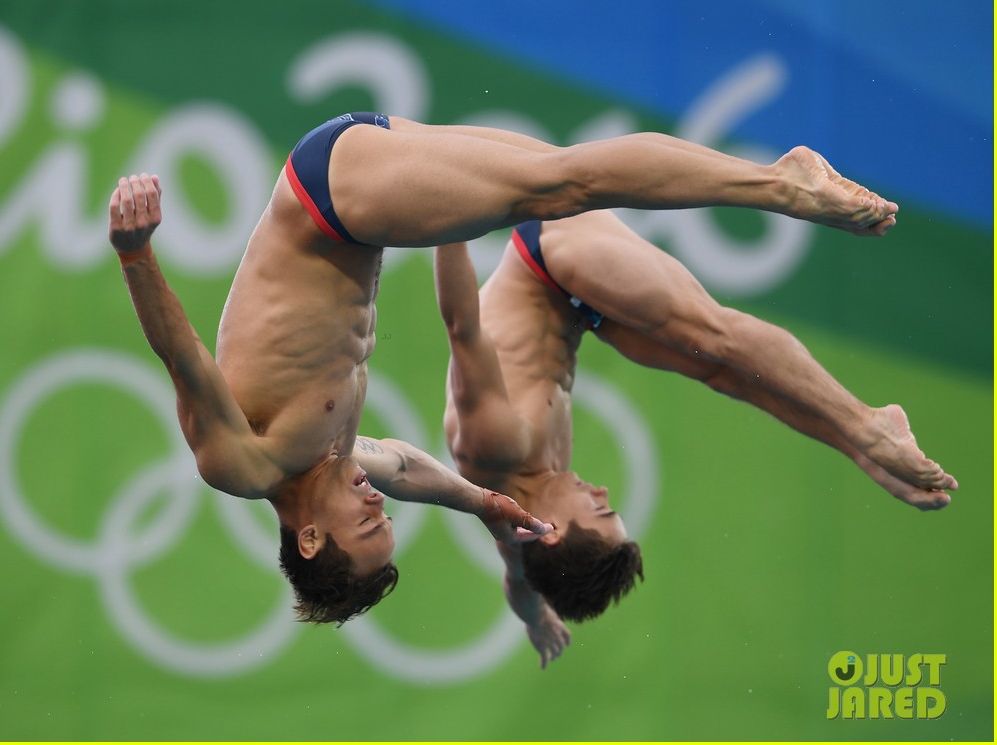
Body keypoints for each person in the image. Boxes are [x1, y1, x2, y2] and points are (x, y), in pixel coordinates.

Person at [110, 112, 904, 625]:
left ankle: (779, 183)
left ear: (311, 536)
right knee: (567, 181)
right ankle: (863, 425)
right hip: (358, 198)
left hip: (331, 199)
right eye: (382, 518)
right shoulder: (333, 461)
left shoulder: (242, 466)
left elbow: (181, 357)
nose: (377, 507)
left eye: (368, 525)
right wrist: (483, 504)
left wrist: (136, 252)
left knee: (564, 185)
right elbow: (408, 468)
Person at [434, 211, 955, 668]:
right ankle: (862, 452)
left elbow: (462, 327)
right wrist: (536, 622)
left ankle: (866, 422)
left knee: (717, 335)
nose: (603, 494)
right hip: (579, 310)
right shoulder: (524, 533)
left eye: (599, 512)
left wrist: (445, 217)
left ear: (550, 532)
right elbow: (522, 589)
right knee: (722, 375)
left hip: (548, 253)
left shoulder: (493, 447)